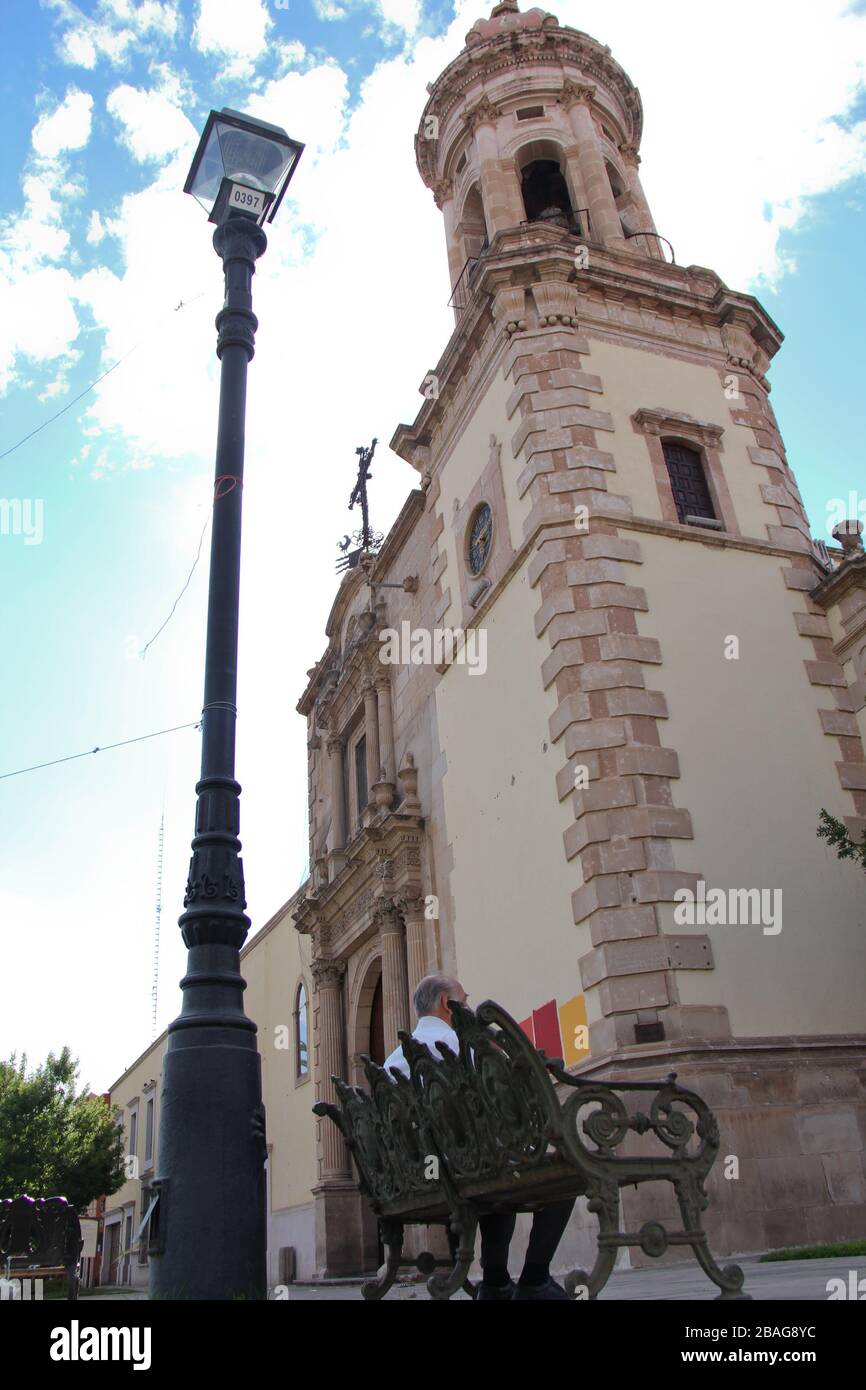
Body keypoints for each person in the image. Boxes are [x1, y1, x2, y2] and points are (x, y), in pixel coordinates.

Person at [383, 972, 575, 1300]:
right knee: (564, 1173)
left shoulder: (391, 1062)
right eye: (465, 1000)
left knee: (496, 1174)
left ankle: (497, 1284)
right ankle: (534, 1280)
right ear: (447, 1003)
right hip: (467, 1172)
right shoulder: (461, 1045)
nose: (468, 1008)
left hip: (419, 1179)